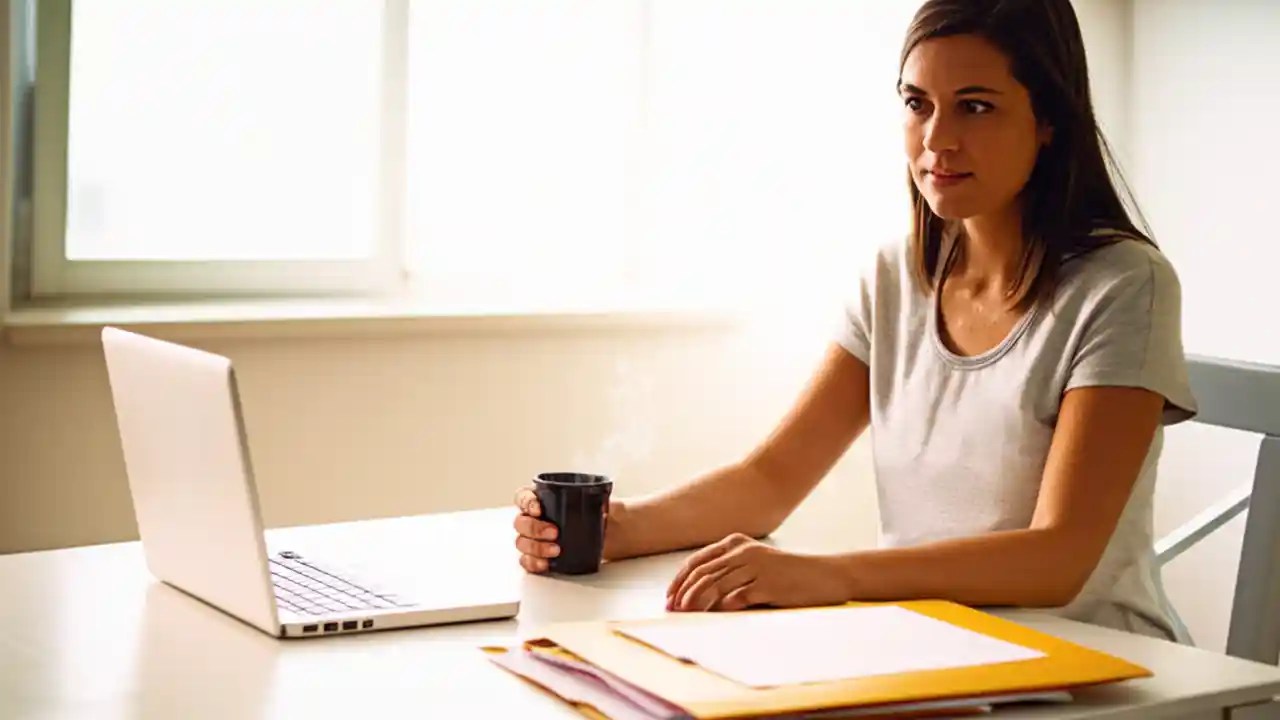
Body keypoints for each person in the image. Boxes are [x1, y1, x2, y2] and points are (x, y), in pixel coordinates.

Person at [513, 0, 1198, 644]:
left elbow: (1057, 560)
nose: (937, 140)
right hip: (935, 649)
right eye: (917, 104)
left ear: (1049, 120)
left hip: (1112, 672)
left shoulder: (1124, 285)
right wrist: (618, 529)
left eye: (976, 107)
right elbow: (770, 480)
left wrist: (834, 575)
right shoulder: (896, 278)